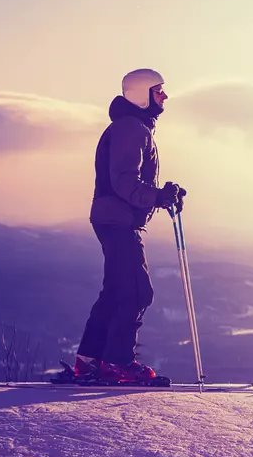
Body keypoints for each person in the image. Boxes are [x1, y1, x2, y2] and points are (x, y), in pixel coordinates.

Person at [74, 68, 185, 383]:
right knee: (137, 291)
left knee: (115, 290)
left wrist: (165, 193)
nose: (164, 96)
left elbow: (131, 181)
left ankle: (91, 359)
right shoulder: (130, 128)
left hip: (113, 217)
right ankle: (119, 363)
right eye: (158, 90)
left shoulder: (132, 127)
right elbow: (124, 182)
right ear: (142, 94)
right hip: (118, 219)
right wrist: (158, 197)